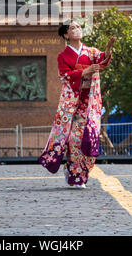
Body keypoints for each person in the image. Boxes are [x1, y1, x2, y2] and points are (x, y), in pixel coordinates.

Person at [38, 20, 115, 188]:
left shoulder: (91, 51)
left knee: (87, 137)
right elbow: (65, 76)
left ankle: (81, 170)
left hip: (89, 102)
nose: (77, 29)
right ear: (66, 34)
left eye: (79, 27)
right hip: (72, 102)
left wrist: (108, 49)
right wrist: (85, 71)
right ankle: (75, 174)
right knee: (73, 138)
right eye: (72, 28)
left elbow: (102, 60)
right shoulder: (63, 56)